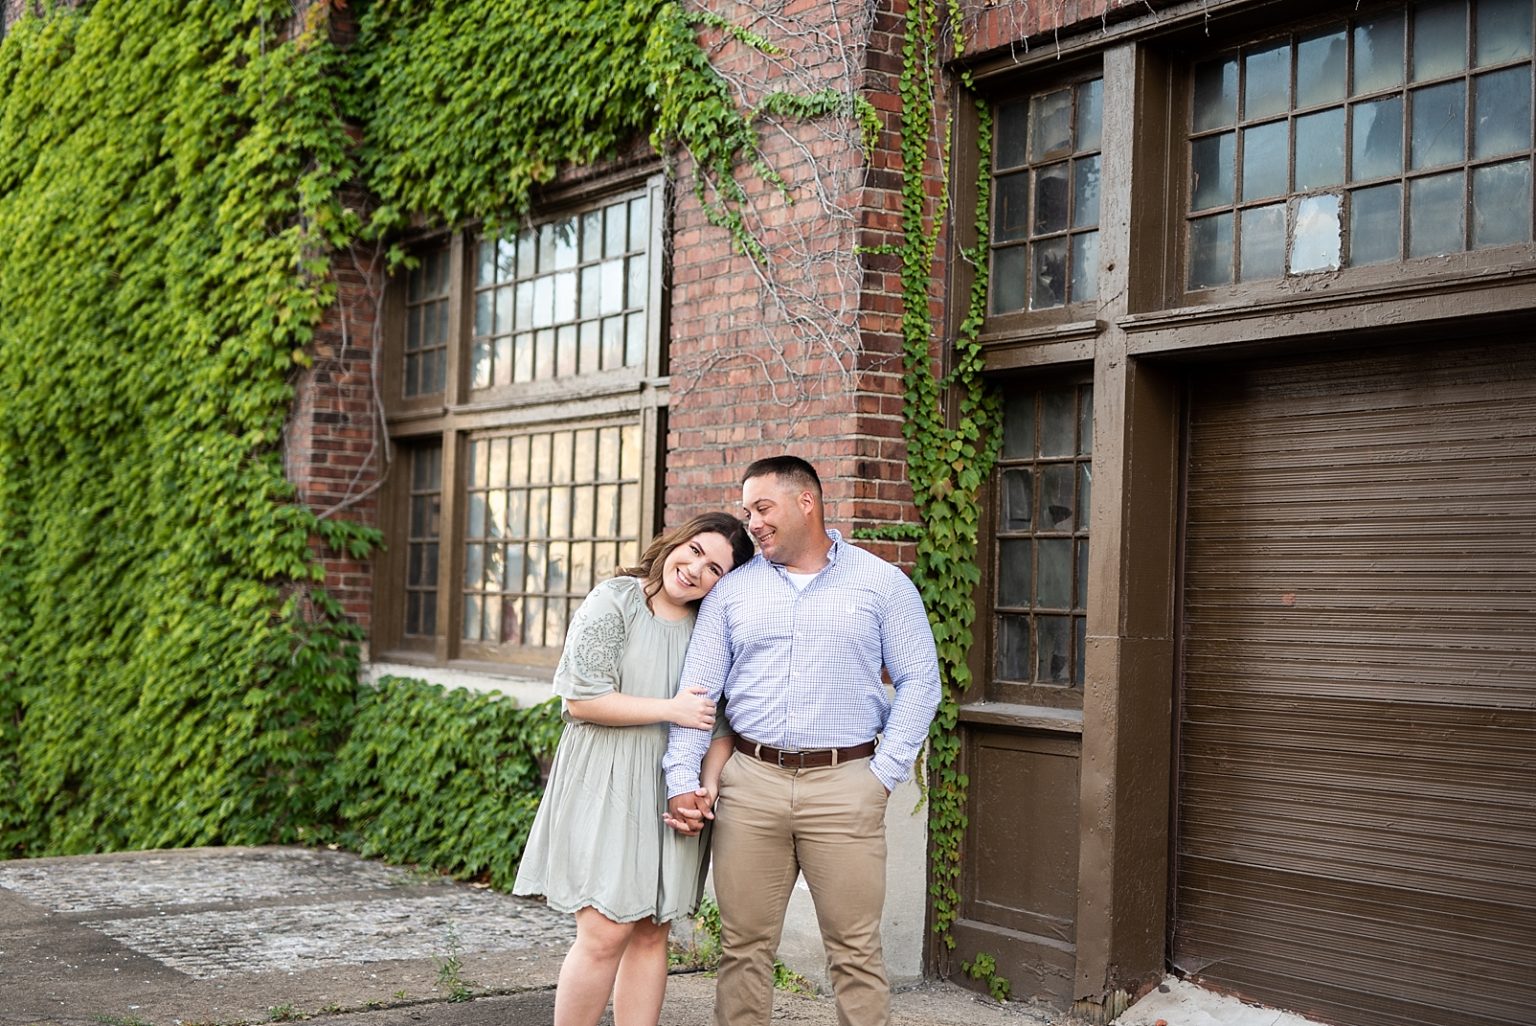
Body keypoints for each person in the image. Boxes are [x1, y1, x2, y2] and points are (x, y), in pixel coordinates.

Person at [662, 455, 942, 1026]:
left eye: (763, 508)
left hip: (846, 786)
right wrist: (682, 780)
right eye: (747, 510)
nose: (753, 522)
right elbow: (698, 693)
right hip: (751, 785)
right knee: (743, 951)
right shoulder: (731, 593)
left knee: (856, 953)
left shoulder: (882, 583)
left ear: (806, 502)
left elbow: (921, 681)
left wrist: (883, 774)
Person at [513, 511, 755, 1026]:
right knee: (603, 932)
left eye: (714, 569)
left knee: (652, 930)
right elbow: (582, 699)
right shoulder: (616, 599)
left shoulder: (709, 627)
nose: (694, 569)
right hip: (607, 779)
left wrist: (707, 786)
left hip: (674, 788)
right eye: (694, 551)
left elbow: (718, 726)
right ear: (676, 542)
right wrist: (670, 709)